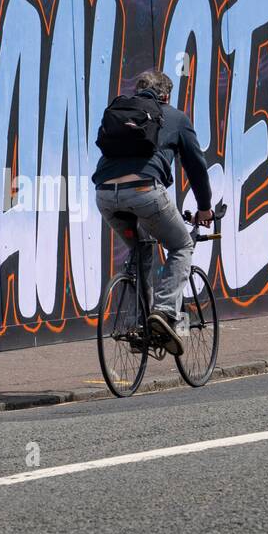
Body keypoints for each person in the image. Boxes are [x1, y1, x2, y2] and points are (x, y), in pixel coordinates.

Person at [93, 70, 213, 356]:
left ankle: (137, 325)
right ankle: (164, 312)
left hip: (105, 195)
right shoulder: (176, 117)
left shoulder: (120, 113)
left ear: (139, 90)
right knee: (181, 245)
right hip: (145, 193)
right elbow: (196, 167)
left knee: (140, 251)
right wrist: (204, 207)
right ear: (167, 95)